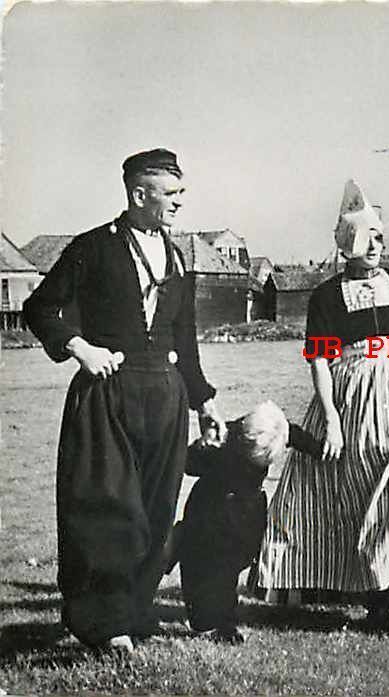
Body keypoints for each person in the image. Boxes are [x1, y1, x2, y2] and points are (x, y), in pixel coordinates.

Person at [23, 148, 224, 653]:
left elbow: (187, 339)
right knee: (108, 510)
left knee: (156, 510)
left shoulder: (177, 255)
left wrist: (204, 403)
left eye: (182, 192)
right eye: (171, 193)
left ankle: (134, 613)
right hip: (106, 394)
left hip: (165, 395)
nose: (181, 202)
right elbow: (40, 307)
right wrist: (80, 348)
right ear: (140, 194)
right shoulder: (92, 247)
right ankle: (103, 623)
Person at [258, 180, 389, 636]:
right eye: (367, 238)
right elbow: (322, 362)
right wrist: (330, 418)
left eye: (380, 238)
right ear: (347, 243)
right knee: (364, 497)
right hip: (355, 399)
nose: (376, 246)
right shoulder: (326, 297)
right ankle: (378, 600)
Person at [175, 401, 320, 644]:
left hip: (247, 513)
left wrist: (319, 448)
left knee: (230, 568)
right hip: (210, 512)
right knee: (205, 568)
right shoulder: (225, 438)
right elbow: (188, 464)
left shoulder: (276, 431)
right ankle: (211, 621)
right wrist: (201, 447)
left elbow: (294, 435)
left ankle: (220, 619)